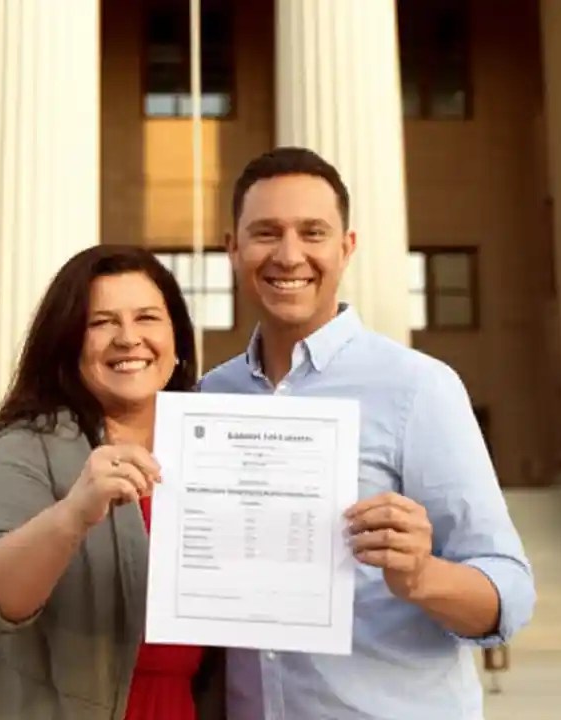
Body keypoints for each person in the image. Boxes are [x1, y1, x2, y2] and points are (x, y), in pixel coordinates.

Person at [199, 146, 536, 719]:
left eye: (312, 232)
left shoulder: (417, 388)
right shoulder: (209, 400)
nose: (289, 255)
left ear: (345, 247)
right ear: (233, 247)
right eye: (265, 233)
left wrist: (422, 575)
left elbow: (510, 595)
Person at [0, 244, 224, 719]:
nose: (128, 338)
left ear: (177, 342)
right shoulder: (24, 446)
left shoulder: (212, 447)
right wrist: (72, 515)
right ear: (68, 343)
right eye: (101, 322)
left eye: (148, 318)